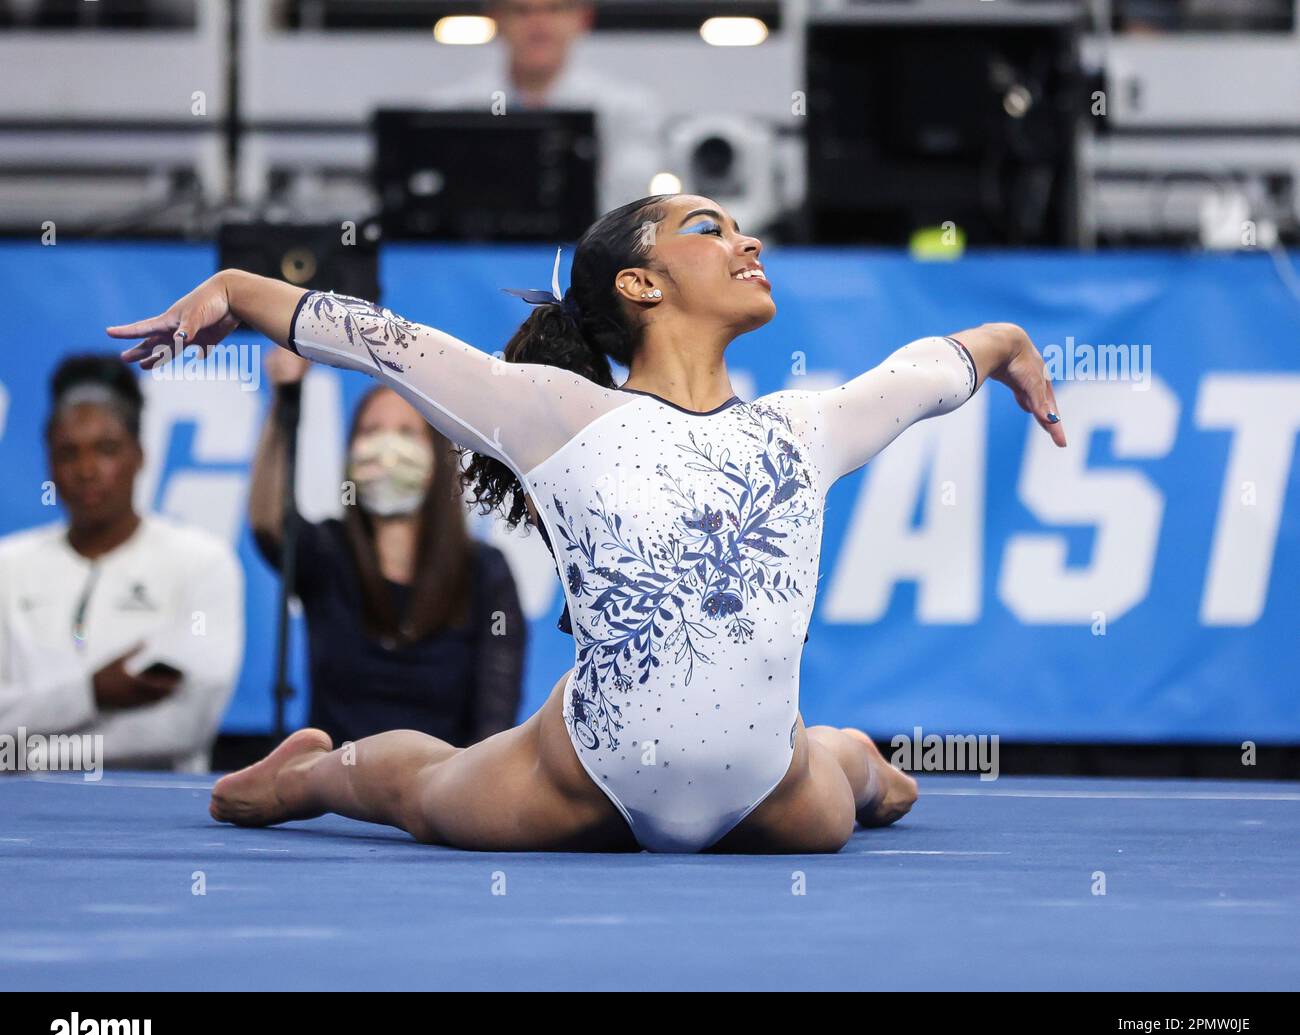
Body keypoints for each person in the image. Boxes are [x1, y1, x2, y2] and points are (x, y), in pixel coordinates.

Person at [107, 193, 1065, 852]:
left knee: (846, 784)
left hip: (770, 786)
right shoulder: (560, 411)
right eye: (708, 229)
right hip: (593, 770)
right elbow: (385, 342)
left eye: (742, 230)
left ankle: (860, 762)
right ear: (640, 284)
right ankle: (312, 775)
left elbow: (926, 375)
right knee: (424, 794)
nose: (748, 243)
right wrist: (238, 289)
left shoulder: (803, 428)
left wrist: (1009, 343)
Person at [248, 346, 526, 747]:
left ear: (436, 459)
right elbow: (269, 523)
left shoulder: (485, 573)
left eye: (406, 433)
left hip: (441, 794)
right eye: (370, 432)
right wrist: (283, 400)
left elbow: (495, 722)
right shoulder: (327, 554)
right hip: (333, 789)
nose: (387, 448)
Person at [0, 355, 243, 772]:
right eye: (68, 453)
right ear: (49, 465)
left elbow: (184, 727)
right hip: (18, 816)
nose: (88, 470)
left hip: (157, 819)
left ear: (140, 456)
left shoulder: (202, 562)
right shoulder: (8, 565)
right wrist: (92, 692)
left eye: (107, 449)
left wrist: (29, 748)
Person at [428, 0, 667, 213]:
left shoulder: (626, 109)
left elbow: (632, 202)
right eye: (521, 11)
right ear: (496, 18)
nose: (538, 24)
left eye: (555, 9)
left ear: (583, 18)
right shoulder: (452, 109)